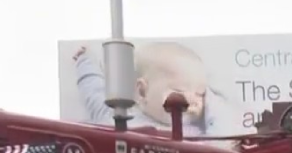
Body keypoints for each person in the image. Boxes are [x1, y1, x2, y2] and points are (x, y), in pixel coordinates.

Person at [72, 42, 238, 138]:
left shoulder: (200, 135)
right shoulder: (116, 115)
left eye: (201, 94)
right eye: (179, 90)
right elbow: (94, 90)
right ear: (143, 92)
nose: (193, 100)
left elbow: (224, 135)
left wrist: (210, 101)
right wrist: (85, 60)